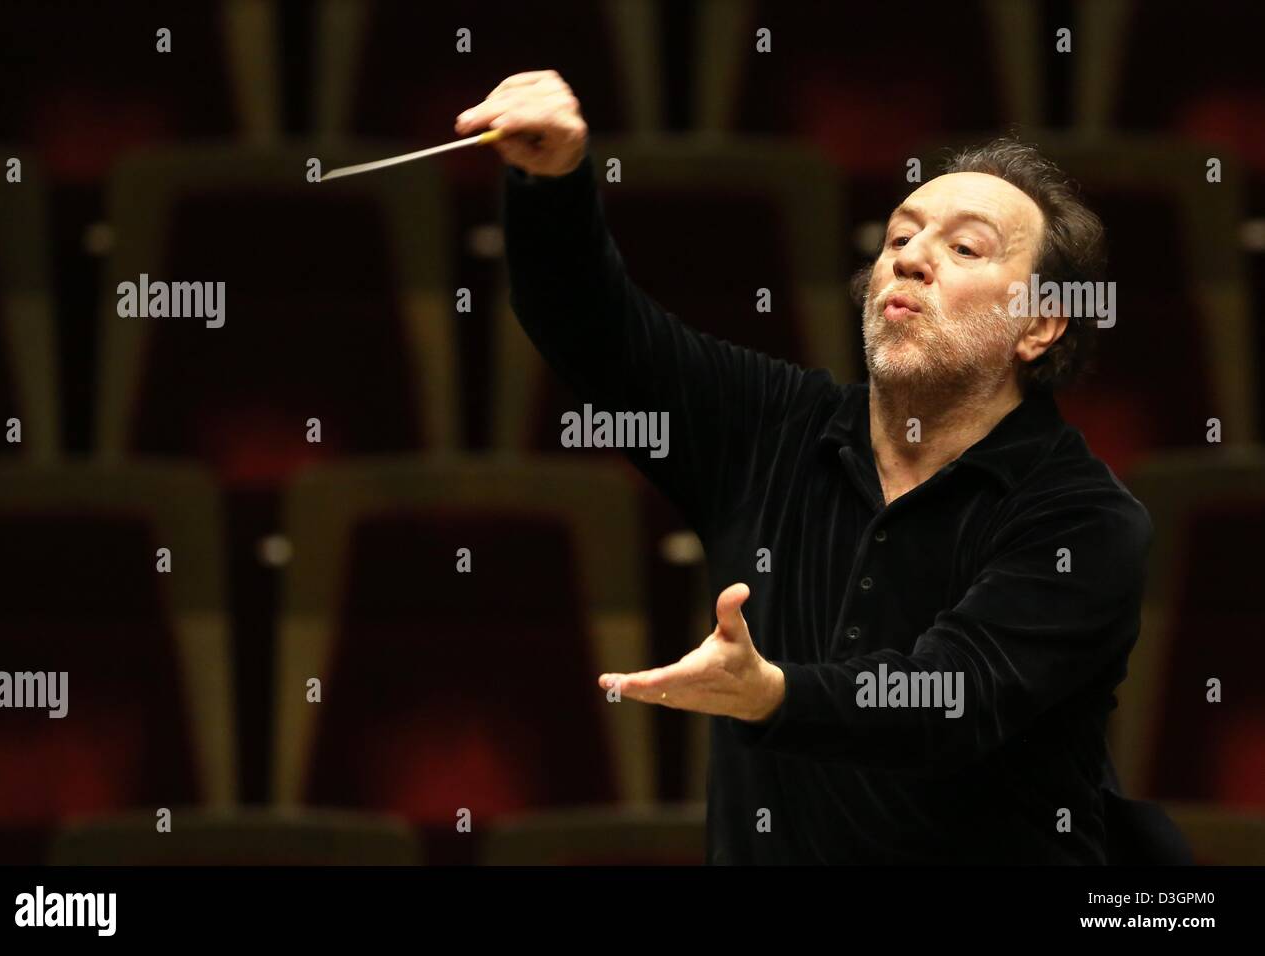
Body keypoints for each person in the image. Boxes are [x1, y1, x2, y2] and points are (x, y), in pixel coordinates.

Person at [455, 70, 1186, 864]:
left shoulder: (1083, 518)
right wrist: (551, 180)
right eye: (899, 237)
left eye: (964, 246)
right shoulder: (770, 428)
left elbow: (952, 698)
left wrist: (773, 695)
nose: (910, 259)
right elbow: (595, 332)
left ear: (1040, 324)